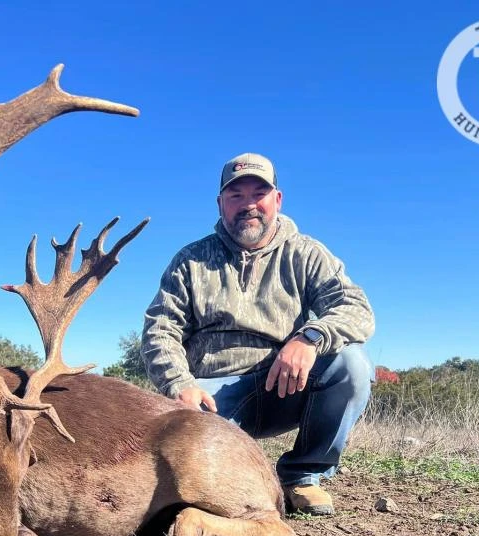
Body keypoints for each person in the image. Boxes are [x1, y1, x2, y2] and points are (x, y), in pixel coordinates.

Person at [141, 153, 375, 516]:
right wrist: (179, 384)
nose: (248, 205)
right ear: (220, 204)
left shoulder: (306, 253)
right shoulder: (190, 260)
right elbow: (160, 329)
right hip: (213, 395)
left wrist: (309, 338)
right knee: (189, 479)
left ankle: (302, 476)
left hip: (282, 385)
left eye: (258, 193)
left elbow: (357, 309)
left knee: (351, 365)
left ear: (276, 200)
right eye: (235, 196)